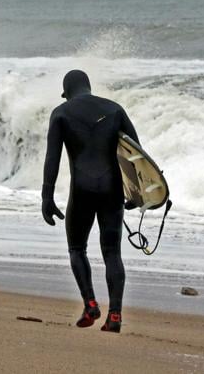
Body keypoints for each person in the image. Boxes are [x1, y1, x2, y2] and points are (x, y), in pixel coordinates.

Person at [41, 69, 139, 333]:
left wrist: (46, 196)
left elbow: (53, 158)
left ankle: (90, 304)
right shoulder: (115, 109)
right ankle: (115, 315)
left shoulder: (61, 112)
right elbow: (136, 154)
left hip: (82, 189)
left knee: (76, 249)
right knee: (112, 253)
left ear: (67, 91)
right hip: (111, 190)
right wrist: (137, 192)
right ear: (88, 86)